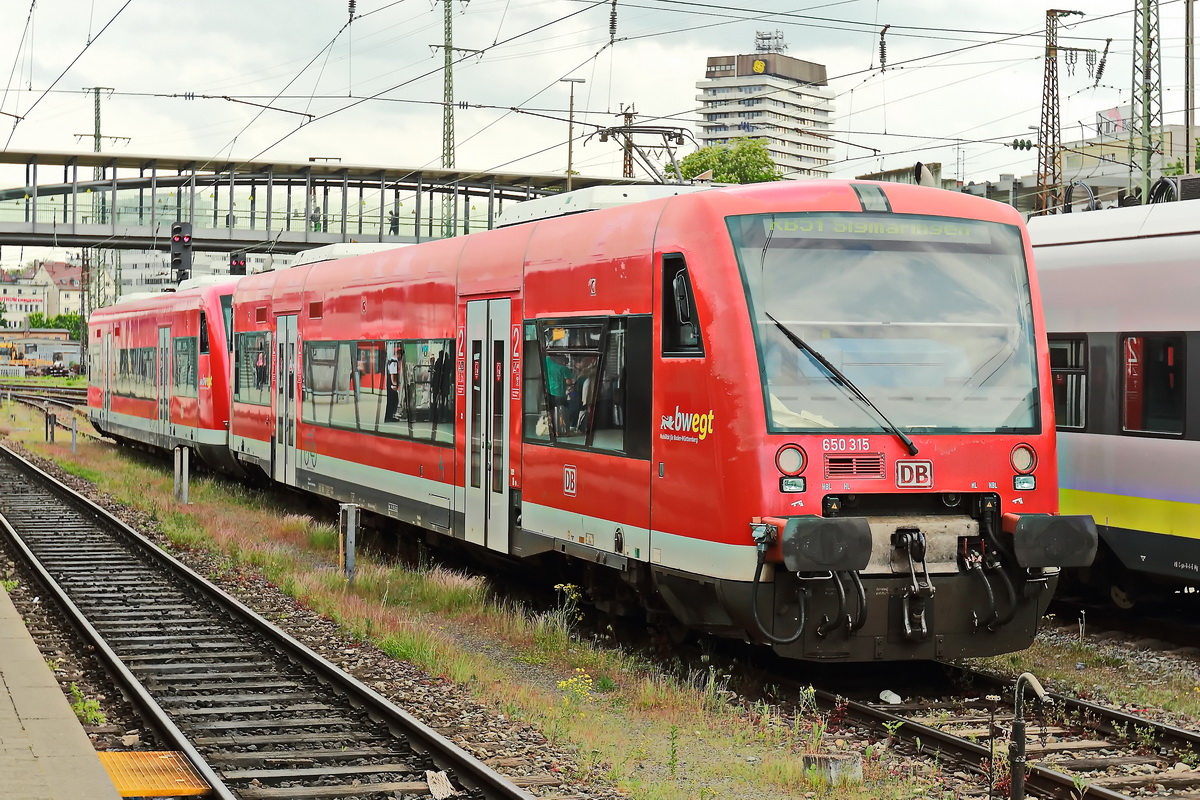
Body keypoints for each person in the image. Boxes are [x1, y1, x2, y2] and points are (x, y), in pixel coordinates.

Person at [385, 351, 401, 422]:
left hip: (389, 384)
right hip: (392, 385)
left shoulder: (390, 361)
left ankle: (389, 416)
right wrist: (394, 384)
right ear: (398, 354)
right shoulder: (394, 362)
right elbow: (393, 374)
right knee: (394, 400)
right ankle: (390, 417)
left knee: (391, 400)